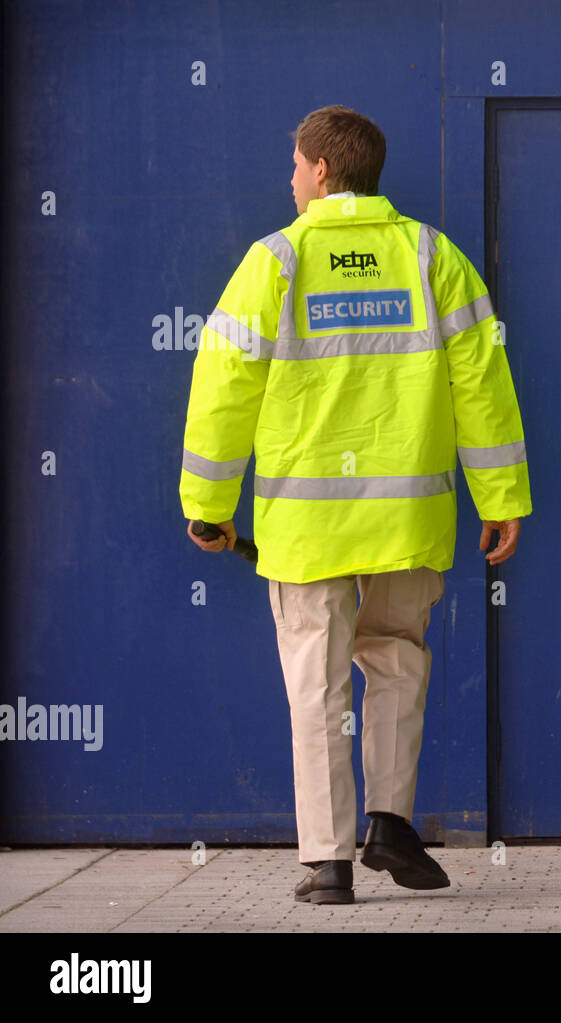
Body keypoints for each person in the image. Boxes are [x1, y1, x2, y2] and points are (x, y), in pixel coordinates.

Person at [179, 106, 531, 905]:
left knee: (317, 685)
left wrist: (208, 502)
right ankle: (390, 821)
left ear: (323, 173)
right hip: (406, 516)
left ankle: (328, 860)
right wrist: (502, 494)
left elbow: (223, 386)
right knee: (398, 660)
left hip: (306, 525)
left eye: (296, 165)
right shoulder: (430, 256)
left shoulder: (275, 261)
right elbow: (482, 383)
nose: (291, 178)